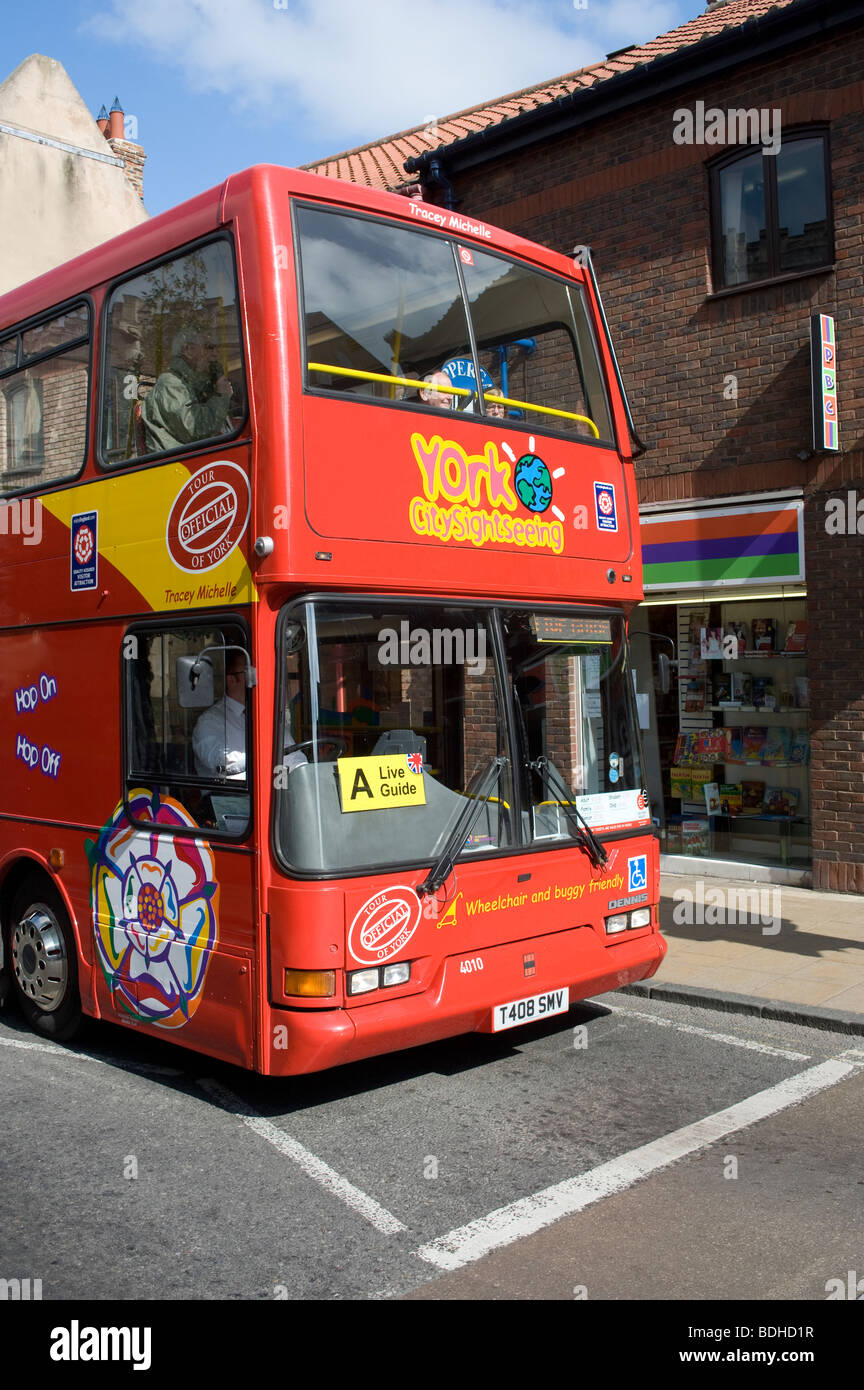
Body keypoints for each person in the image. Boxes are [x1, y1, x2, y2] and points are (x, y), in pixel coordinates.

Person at [139, 331, 234, 454]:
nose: (215, 354)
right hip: (176, 466)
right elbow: (197, 429)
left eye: (216, 348)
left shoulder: (197, 384)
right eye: (209, 347)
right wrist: (221, 396)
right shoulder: (170, 384)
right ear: (188, 350)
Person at [193, 656, 248, 779]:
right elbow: (222, 763)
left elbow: (292, 754)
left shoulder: (262, 715)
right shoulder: (209, 721)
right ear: (231, 679)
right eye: (248, 672)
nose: (257, 678)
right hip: (226, 795)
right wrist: (265, 756)